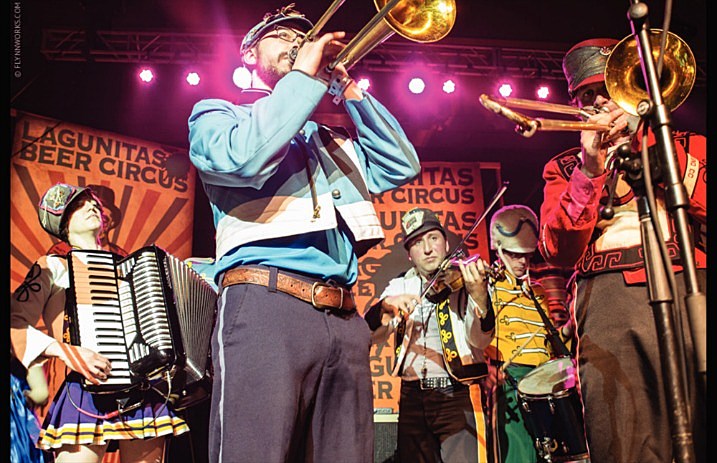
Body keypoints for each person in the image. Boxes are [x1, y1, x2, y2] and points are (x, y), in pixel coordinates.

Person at [186, 3, 420, 462]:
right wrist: (304, 79)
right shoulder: (218, 114)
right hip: (265, 306)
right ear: (249, 54)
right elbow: (244, 159)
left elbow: (400, 164)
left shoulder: (325, 138)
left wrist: (348, 89)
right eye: (282, 36)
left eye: (303, 37)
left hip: (344, 319)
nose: (296, 42)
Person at [538, 38, 706, 463]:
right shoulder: (564, 167)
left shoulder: (687, 144)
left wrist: (653, 147)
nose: (598, 102)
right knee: (621, 437)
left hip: (690, 286)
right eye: (586, 95)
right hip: (609, 305)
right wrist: (590, 169)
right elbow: (556, 249)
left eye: (607, 90)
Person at [10, 183, 190, 463]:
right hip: (86, 389)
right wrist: (66, 352)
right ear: (63, 223)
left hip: (141, 390)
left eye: (93, 202)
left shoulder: (134, 269)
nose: (92, 206)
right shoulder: (52, 266)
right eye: (79, 205)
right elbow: (14, 323)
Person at [363, 207, 495, 463]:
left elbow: (480, 340)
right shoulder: (400, 285)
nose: (427, 249)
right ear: (409, 254)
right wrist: (386, 307)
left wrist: (479, 297)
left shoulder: (467, 281)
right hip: (412, 396)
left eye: (433, 238)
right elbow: (370, 335)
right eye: (417, 243)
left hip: (457, 393)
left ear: (446, 244)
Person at [481, 205, 574, 463]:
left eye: (527, 256)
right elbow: (474, 337)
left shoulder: (538, 291)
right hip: (510, 380)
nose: (522, 262)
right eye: (514, 255)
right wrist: (486, 367)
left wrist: (570, 327)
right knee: (518, 455)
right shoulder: (487, 287)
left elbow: (550, 343)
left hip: (545, 382)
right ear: (499, 250)